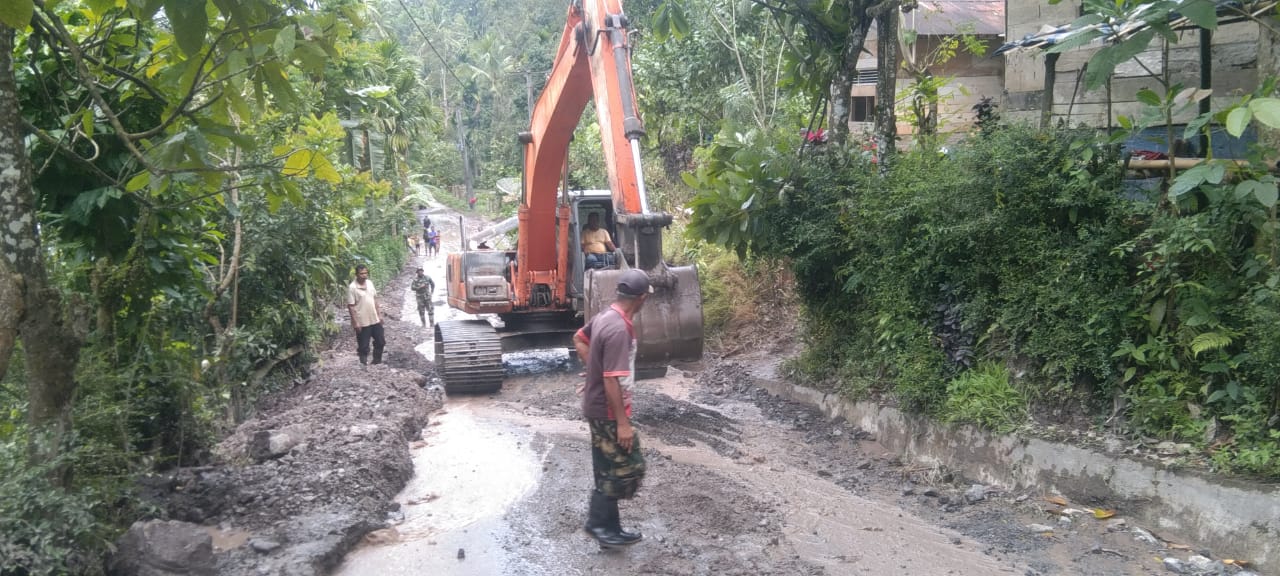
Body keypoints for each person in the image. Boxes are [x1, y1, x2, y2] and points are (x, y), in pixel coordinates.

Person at [571, 269, 652, 548]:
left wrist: (592, 368)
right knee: (629, 468)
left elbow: (579, 339)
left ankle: (610, 530)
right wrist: (622, 423)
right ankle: (597, 524)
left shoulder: (606, 316)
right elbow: (611, 379)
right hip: (607, 412)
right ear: (642, 298)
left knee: (607, 468)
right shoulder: (618, 329)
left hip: (597, 407)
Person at [346, 264, 385, 366]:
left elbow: (375, 299)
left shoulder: (370, 283)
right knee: (363, 346)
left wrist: (379, 315)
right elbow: (351, 306)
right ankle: (363, 364)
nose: (364, 275)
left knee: (380, 341)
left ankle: (376, 361)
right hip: (362, 321)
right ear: (356, 274)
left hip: (374, 318)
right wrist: (355, 322)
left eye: (366, 273)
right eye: (362, 273)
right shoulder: (352, 287)